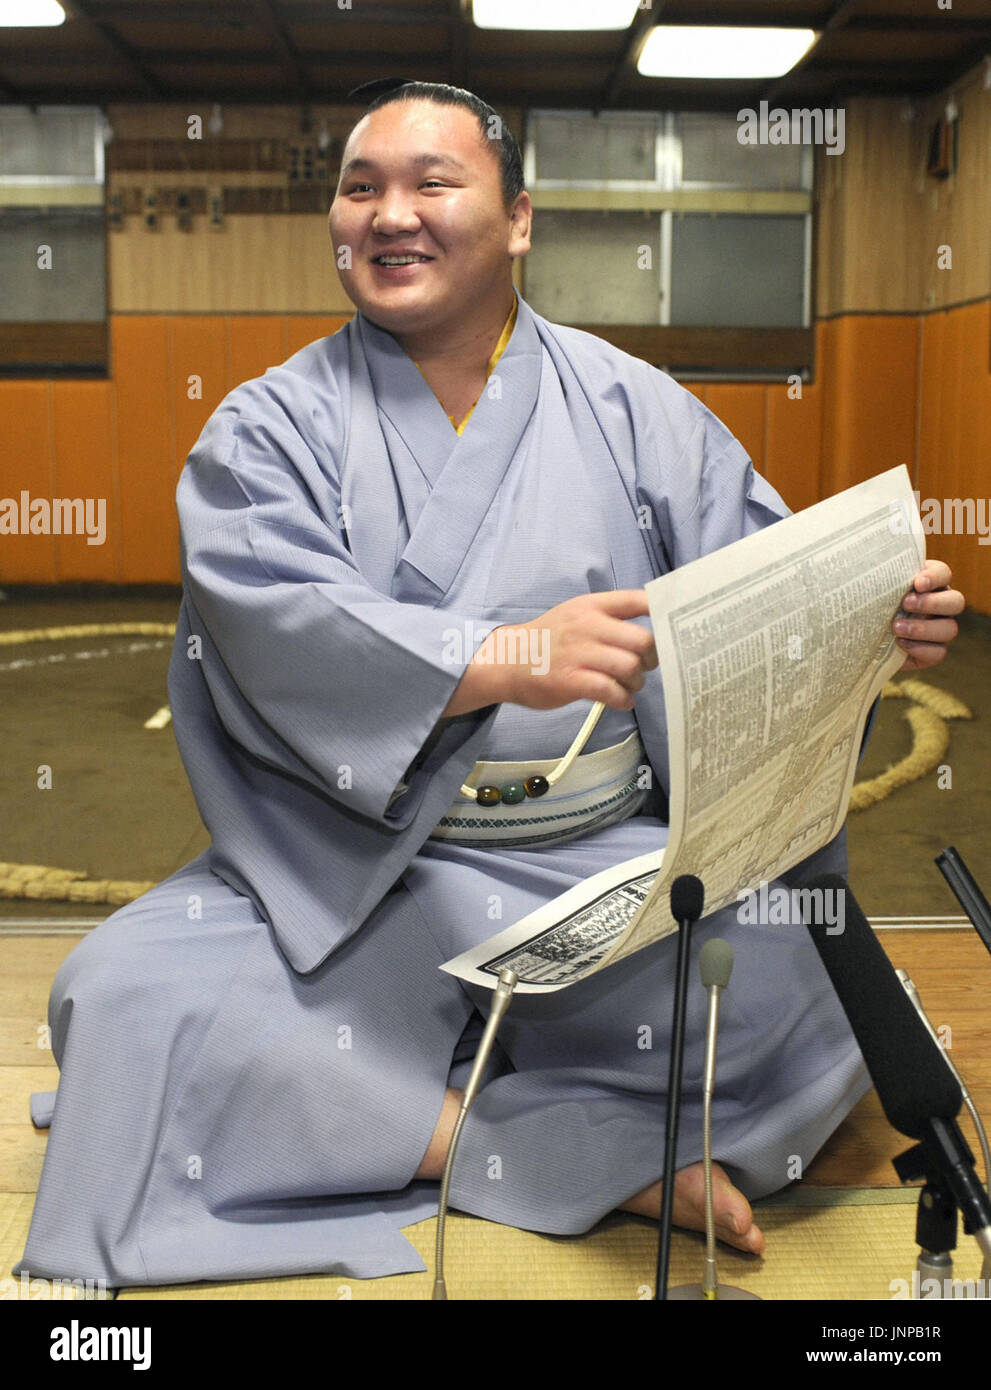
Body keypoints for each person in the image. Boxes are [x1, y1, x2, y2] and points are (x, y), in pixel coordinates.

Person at [15, 82, 964, 1290]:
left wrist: (873, 626)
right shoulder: (265, 430)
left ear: (518, 220)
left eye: (431, 183)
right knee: (117, 997)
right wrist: (509, 652)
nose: (389, 214)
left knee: (807, 995)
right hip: (363, 869)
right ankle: (512, 1142)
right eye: (361, 188)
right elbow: (279, 624)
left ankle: (384, 1108)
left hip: (603, 864)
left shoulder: (638, 413)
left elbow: (758, 601)